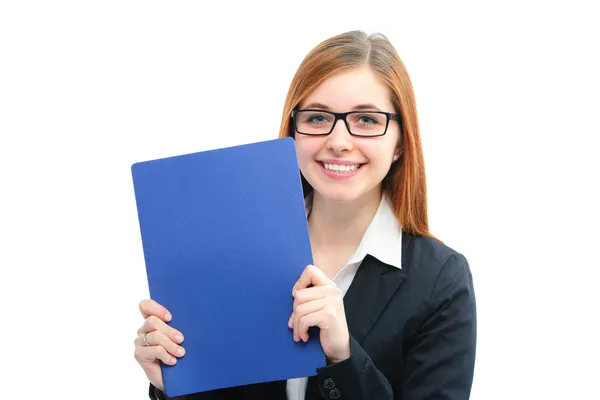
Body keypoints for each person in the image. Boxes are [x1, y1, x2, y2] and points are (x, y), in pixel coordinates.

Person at [134, 30, 477, 400]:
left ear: (399, 143)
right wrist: (172, 383)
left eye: (366, 120)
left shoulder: (441, 281)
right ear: (292, 131)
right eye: (317, 118)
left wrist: (342, 357)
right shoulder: (236, 252)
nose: (339, 141)